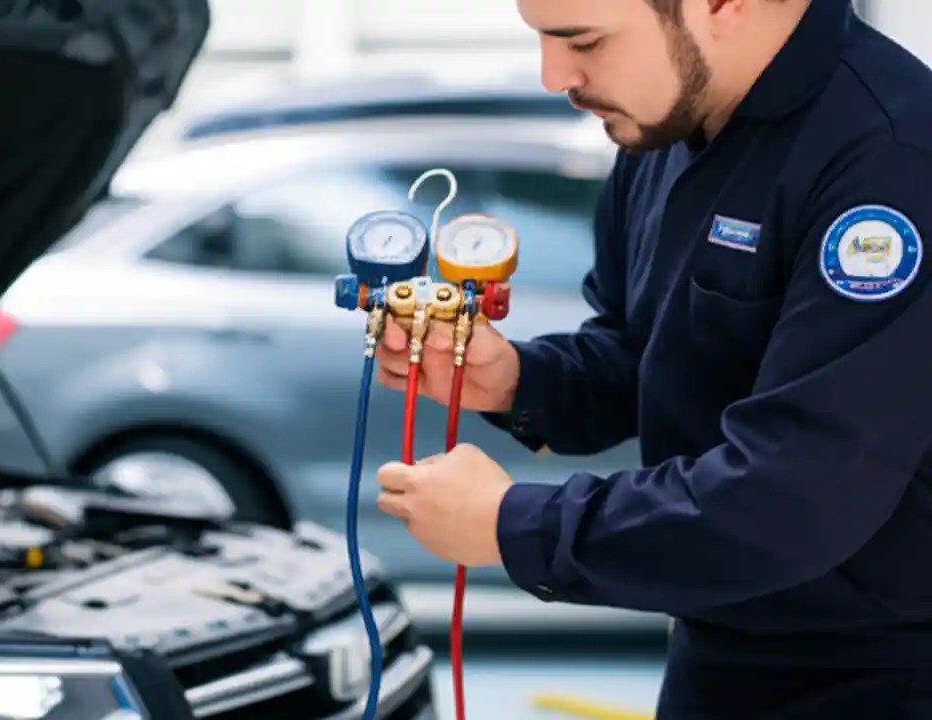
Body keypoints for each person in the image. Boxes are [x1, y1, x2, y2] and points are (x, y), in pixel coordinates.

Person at [372, 0, 932, 716]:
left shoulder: (894, 162)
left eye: (583, 40)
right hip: (716, 652)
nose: (553, 76)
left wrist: (513, 524)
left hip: (878, 679)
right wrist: (516, 379)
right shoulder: (667, 127)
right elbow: (639, 350)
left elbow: (792, 499)